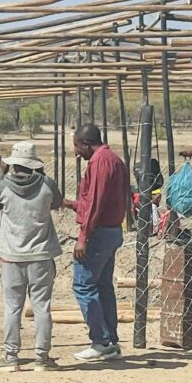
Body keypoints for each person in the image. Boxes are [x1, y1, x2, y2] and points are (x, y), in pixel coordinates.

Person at [0, 142, 64, 373]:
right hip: (41, 256)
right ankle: (42, 357)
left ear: (13, 164)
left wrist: (1, 176)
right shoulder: (47, 184)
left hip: (12, 257)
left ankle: (11, 357)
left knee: (12, 308)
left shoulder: (3, 187)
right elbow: (57, 202)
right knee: (42, 307)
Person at [65, 124, 131, 362]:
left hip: (99, 233)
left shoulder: (100, 162)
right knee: (103, 286)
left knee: (83, 285)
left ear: (85, 143)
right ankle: (110, 341)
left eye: (76, 146)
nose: (75, 152)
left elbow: (96, 202)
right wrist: (71, 204)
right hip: (111, 231)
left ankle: (101, 341)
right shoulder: (114, 159)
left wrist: (83, 237)